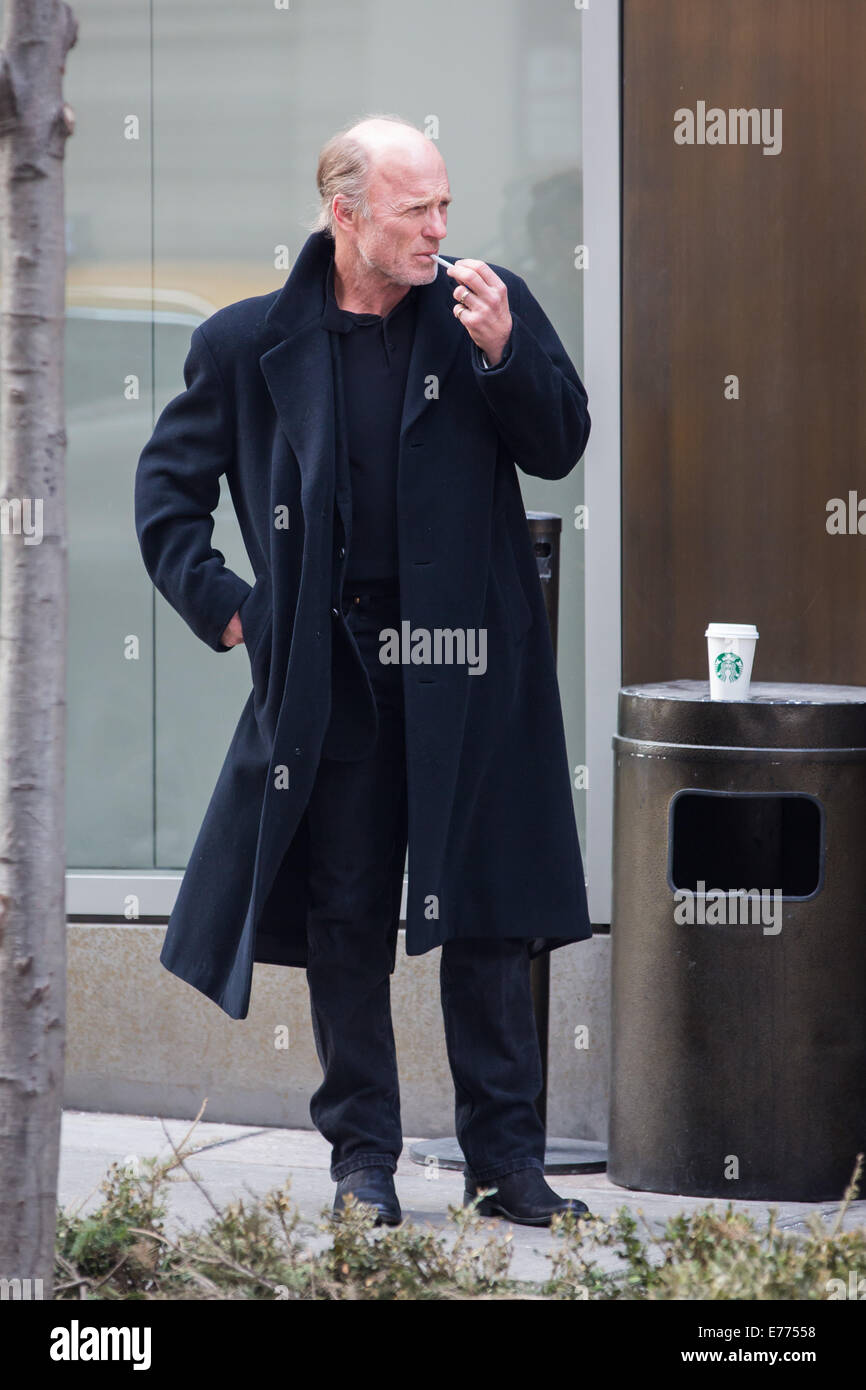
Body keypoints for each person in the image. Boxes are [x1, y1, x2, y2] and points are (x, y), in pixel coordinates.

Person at [134, 114, 593, 1229]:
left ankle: (507, 1167)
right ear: (345, 215)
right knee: (345, 921)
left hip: (470, 671)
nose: (439, 228)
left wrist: (504, 351)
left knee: (485, 919)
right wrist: (239, 613)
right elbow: (165, 500)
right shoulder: (249, 342)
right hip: (335, 674)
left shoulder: (483, 308)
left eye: (443, 205)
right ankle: (362, 1163)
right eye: (414, 210)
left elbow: (559, 442)